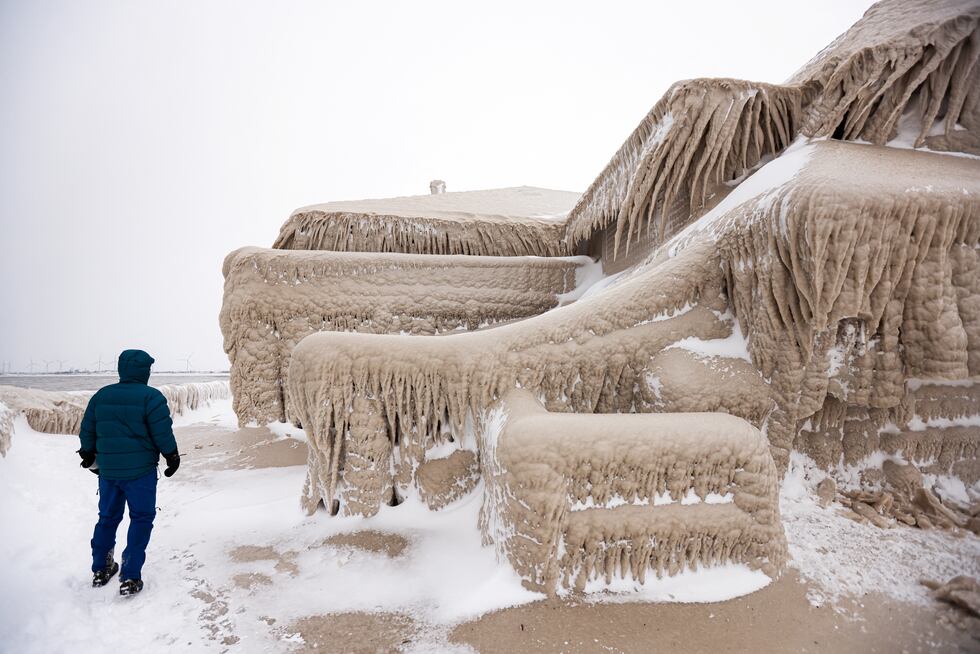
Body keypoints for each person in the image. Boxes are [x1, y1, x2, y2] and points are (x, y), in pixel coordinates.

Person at [77, 349, 181, 596]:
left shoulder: (101, 396)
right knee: (141, 518)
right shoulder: (151, 397)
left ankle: (101, 569)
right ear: (145, 371)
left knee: (107, 518)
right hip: (141, 473)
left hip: (109, 472)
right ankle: (130, 576)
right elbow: (162, 432)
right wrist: (172, 456)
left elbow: (87, 430)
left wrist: (89, 454)